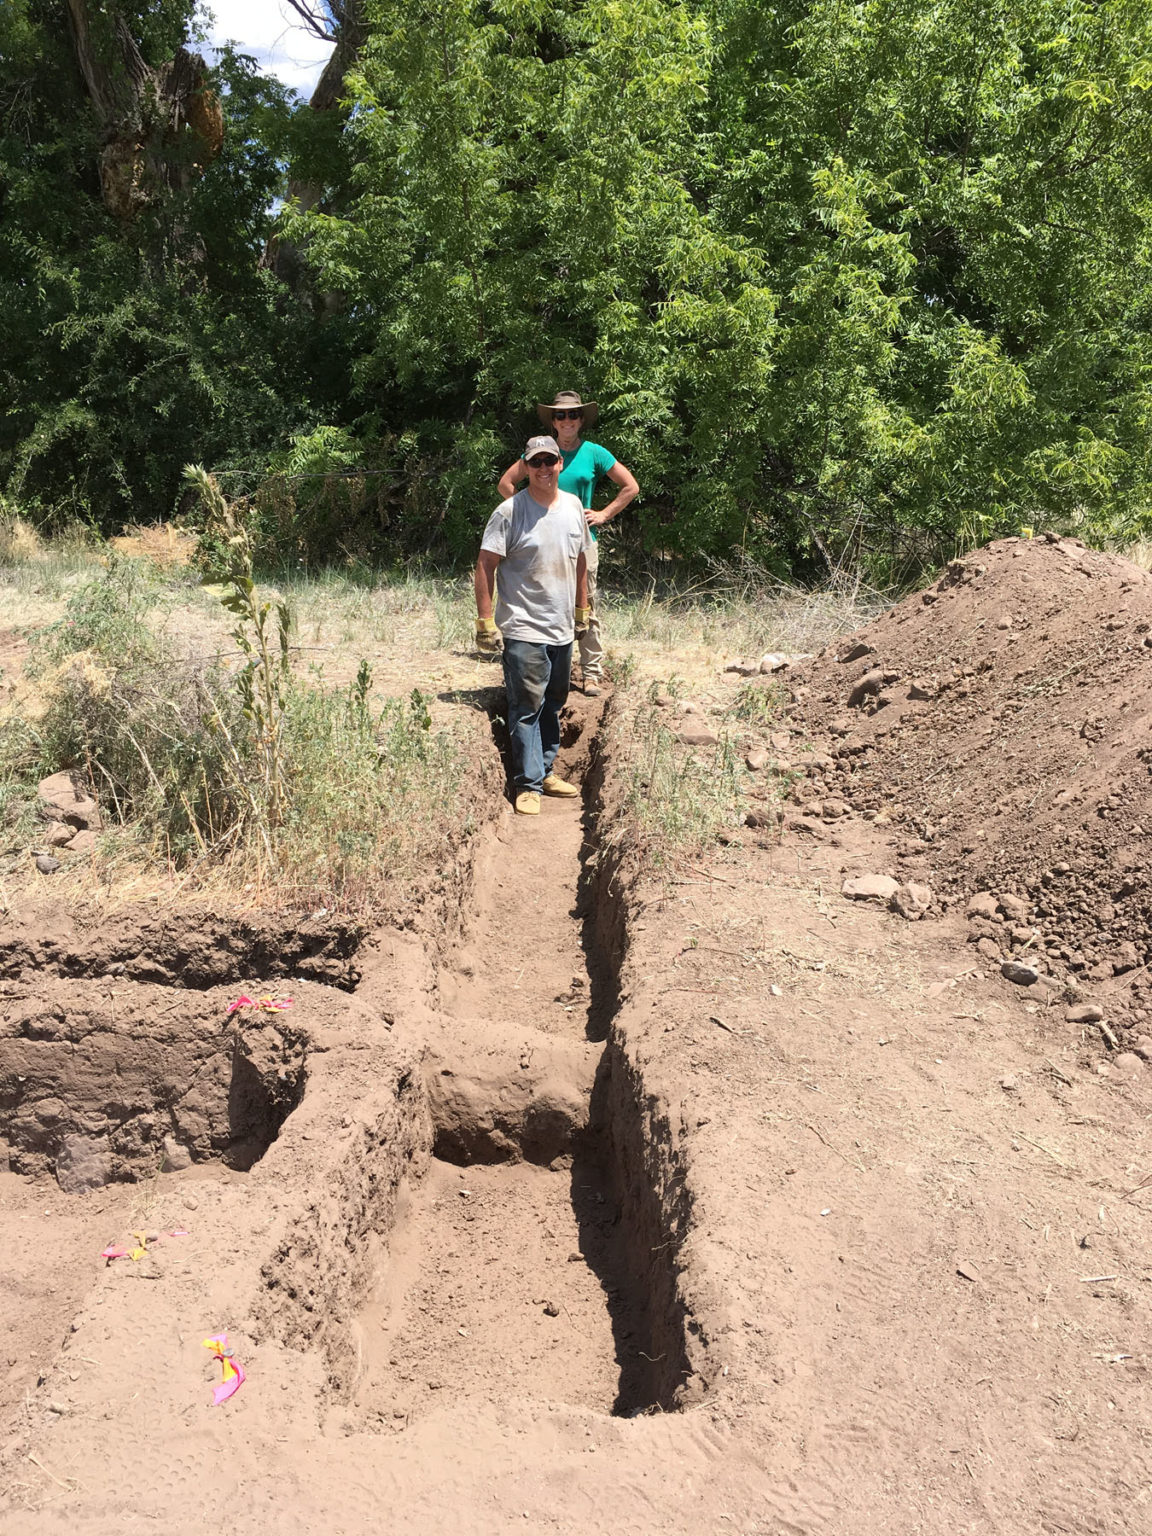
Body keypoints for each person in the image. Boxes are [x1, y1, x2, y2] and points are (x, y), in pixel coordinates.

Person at [475, 435, 592, 816]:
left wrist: (581, 609)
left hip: (561, 628)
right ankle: (526, 784)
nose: (543, 468)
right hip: (524, 627)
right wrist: (485, 620)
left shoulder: (574, 507)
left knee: (553, 703)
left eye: (550, 461)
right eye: (535, 462)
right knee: (526, 706)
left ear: (561, 464)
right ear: (525, 467)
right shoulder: (509, 512)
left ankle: (544, 772)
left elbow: (579, 562)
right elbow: (485, 565)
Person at [497, 390, 638, 696]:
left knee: (585, 603)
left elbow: (630, 486)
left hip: (582, 543)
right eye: (560, 415)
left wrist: (603, 514)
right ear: (553, 421)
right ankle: (544, 667)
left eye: (573, 414)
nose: (567, 420)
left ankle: (590, 672)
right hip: (539, 545)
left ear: (581, 419)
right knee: (543, 602)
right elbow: (506, 484)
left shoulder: (594, 453)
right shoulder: (540, 454)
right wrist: (526, 514)